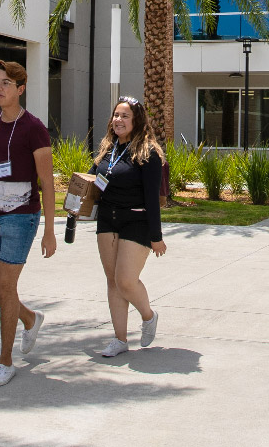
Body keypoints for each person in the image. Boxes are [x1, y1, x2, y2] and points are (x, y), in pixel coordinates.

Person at [0, 59, 56, 387]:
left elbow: (47, 182)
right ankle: (30, 318)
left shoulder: (34, 128)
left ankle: (5, 361)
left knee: (6, 287)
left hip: (21, 217)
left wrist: (49, 231)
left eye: (5, 83)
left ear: (21, 89)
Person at [88, 97, 165, 357]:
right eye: (116, 115)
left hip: (137, 220)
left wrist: (156, 236)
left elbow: (153, 198)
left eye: (125, 116)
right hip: (107, 220)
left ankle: (148, 315)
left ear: (137, 121)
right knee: (112, 281)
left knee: (125, 280)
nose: (118, 120)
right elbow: (92, 182)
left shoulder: (148, 153)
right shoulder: (107, 151)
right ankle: (120, 339)